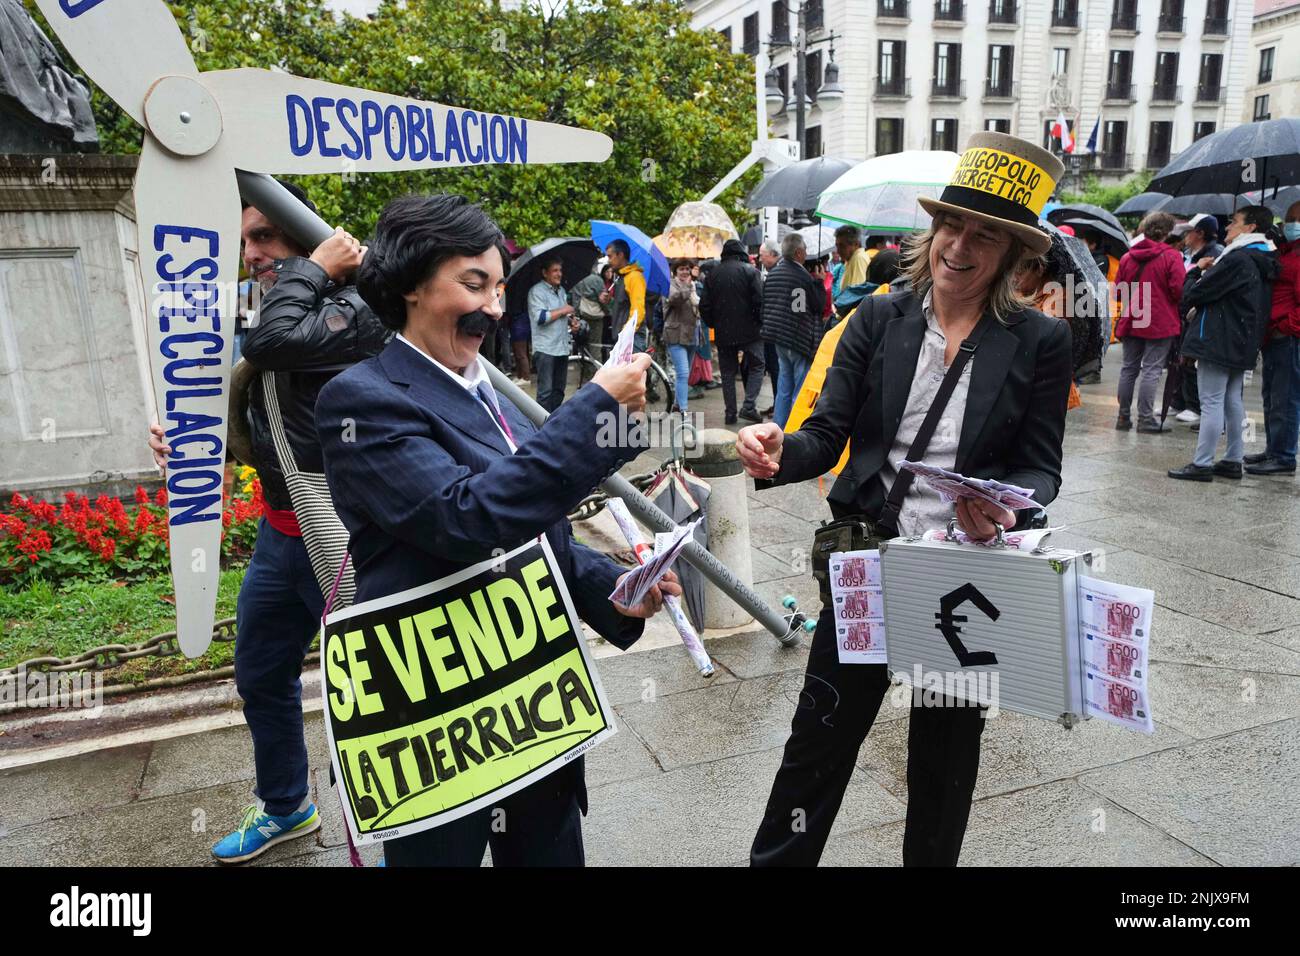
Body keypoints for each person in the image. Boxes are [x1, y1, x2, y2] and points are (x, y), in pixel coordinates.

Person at [315, 194, 679, 866]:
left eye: (499, 287)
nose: (493, 307)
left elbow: (531, 533)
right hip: (431, 722)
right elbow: (469, 519)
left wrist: (617, 589)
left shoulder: (486, 387)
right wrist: (595, 409)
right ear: (409, 287)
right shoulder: (361, 399)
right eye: (472, 284)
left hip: (530, 703)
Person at [739, 132, 1071, 867]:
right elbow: (825, 434)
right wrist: (776, 450)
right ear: (932, 232)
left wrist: (1010, 506)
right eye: (952, 225)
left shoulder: (1040, 340)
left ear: (1016, 257)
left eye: (987, 234)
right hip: (868, 559)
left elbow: (1042, 468)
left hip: (965, 576)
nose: (961, 244)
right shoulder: (878, 320)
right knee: (818, 742)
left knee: (946, 760)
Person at [148, 185, 389, 864]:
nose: (252, 255)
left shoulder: (355, 306)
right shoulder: (271, 307)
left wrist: (315, 266)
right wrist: (199, 442)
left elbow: (279, 345)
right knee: (259, 672)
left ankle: (411, 829)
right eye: (245, 241)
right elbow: (265, 414)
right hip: (281, 536)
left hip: (343, 539)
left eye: (266, 238)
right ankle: (287, 805)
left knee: (375, 691)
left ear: (306, 236)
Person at [1169, 205, 1280, 482]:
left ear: (1250, 227)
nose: (1228, 227)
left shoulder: (1237, 259)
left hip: (1218, 340)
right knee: (1232, 400)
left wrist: (1196, 270)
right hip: (1243, 341)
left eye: (1235, 222)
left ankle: (1202, 463)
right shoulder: (1262, 258)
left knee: (1211, 402)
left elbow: (1193, 294)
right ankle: (1232, 459)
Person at [1112, 212, 1186, 433]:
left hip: (1133, 318)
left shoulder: (1127, 257)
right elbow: (1179, 290)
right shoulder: (1171, 257)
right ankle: (1145, 419)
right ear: (1166, 232)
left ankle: (1123, 418)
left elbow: (1118, 292)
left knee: (1128, 369)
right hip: (1160, 321)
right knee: (1151, 370)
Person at [1246, 200, 1300, 476]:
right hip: (1274, 335)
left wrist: (1286, 326)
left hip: (1288, 337)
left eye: (1294, 219)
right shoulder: (1287, 252)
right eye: (1288, 219)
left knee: (1285, 398)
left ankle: (1284, 455)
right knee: (1271, 396)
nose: (1290, 224)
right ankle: (1273, 449)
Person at [764, 232, 826, 428]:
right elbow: (811, 307)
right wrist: (818, 282)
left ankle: (779, 428)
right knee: (799, 390)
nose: (806, 254)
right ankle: (794, 430)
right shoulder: (801, 277)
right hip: (797, 339)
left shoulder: (773, 274)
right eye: (805, 250)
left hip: (778, 338)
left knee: (784, 389)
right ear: (799, 252)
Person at [700, 238, 765, 425]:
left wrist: (714, 323)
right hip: (751, 331)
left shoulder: (712, 275)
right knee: (758, 366)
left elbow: (704, 305)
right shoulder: (751, 271)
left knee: (727, 373)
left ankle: (730, 413)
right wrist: (758, 322)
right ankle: (749, 405)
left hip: (724, 332)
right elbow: (759, 301)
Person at [528, 256, 577, 412]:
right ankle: (540, 425)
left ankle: (553, 421)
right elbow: (541, 318)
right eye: (555, 270)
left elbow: (561, 315)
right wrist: (564, 310)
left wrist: (571, 322)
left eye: (560, 270)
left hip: (562, 347)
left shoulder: (561, 291)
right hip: (545, 349)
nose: (559, 274)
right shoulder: (537, 291)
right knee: (545, 392)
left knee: (559, 390)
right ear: (545, 273)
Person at [663, 259, 701, 413]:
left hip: (693, 333)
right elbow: (675, 299)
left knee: (685, 373)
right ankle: (684, 409)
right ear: (675, 271)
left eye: (687, 269)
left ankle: (678, 404)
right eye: (681, 269)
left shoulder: (694, 286)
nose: (685, 272)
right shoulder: (671, 284)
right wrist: (689, 286)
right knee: (683, 372)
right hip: (675, 334)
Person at [570, 260, 613, 383]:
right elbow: (603, 300)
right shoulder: (597, 280)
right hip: (596, 317)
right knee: (595, 345)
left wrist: (576, 315)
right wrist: (607, 312)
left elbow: (575, 298)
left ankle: (586, 373)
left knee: (583, 345)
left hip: (582, 315)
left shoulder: (578, 280)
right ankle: (596, 375)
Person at [835, 225, 871, 290]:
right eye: (837, 246)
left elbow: (857, 292)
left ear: (856, 244)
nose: (838, 251)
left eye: (842, 246)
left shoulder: (859, 258)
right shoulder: (850, 260)